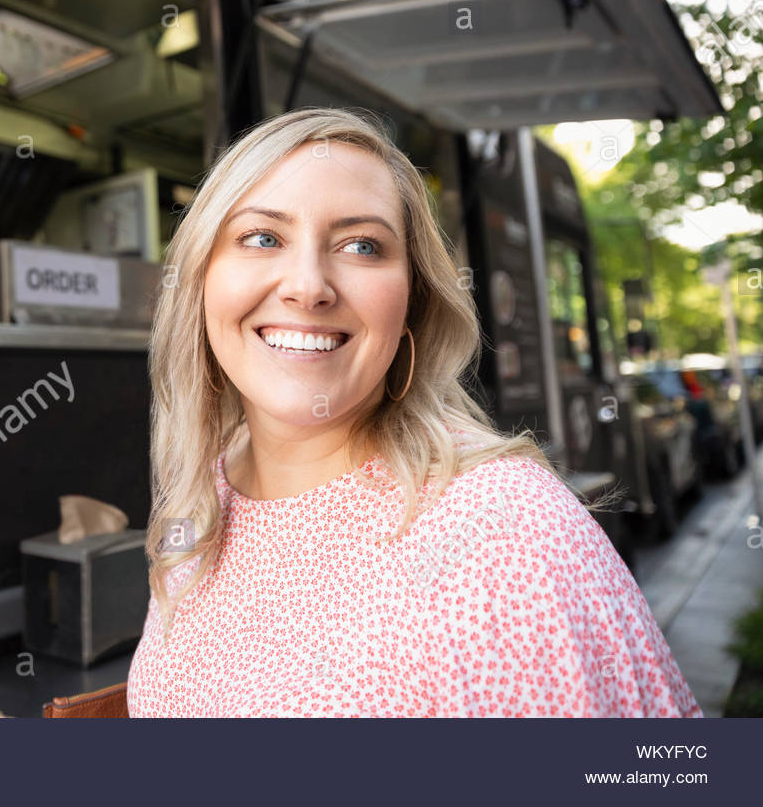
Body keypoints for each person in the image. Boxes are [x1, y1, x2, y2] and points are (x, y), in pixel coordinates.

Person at [126, 108, 700, 717]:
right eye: (263, 237)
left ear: (412, 304)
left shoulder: (506, 532)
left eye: (361, 245)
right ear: (201, 278)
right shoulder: (204, 492)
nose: (308, 285)